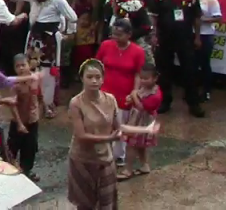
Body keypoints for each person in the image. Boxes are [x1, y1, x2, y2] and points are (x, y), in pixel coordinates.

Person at [67, 59, 159, 210]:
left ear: (103, 79)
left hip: (105, 158)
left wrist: (146, 130)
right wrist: (109, 138)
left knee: (107, 202)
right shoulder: (76, 103)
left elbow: (120, 127)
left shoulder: (110, 99)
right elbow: (81, 135)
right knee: (85, 204)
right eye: (89, 77)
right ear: (81, 78)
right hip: (82, 159)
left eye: (97, 77)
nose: (94, 81)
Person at [145, 0, 205, 117]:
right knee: (164, 70)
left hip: (185, 38)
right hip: (165, 38)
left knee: (189, 70)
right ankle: (165, 101)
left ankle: (193, 103)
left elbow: (197, 17)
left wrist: (197, 36)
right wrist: (153, 35)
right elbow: (153, 16)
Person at [96, 19, 146, 171]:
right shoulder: (106, 45)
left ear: (129, 35)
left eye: (119, 35)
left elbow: (139, 73)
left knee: (120, 124)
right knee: (102, 123)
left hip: (124, 93)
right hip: (104, 91)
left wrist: (135, 90)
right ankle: (102, 152)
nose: (115, 38)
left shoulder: (138, 52)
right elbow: (97, 64)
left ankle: (118, 156)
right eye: (113, 34)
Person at [123, 64, 163, 178]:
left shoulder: (155, 95)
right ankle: (145, 165)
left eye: (146, 78)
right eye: (141, 78)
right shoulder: (144, 88)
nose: (143, 81)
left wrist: (133, 94)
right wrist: (131, 98)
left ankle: (128, 169)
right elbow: (138, 97)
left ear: (155, 78)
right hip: (137, 118)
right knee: (141, 146)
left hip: (142, 122)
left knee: (131, 145)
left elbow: (141, 106)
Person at [8, 54, 42, 181]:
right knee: (13, 147)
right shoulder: (15, 85)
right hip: (18, 122)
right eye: (18, 66)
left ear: (28, 65)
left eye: (23, 65)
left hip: (32, 120)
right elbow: (13, 105)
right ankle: (10, 171)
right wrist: (19, 123)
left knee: (30, 147)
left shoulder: (35, 80)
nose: (21, 68)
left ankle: (27, 170)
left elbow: (39, 97)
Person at [194, 0, 221, 102]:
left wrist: (203, 19)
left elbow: (218, 17)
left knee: (205, 63)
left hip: (206, 34)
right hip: (192, 33)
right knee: (192, 64)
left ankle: (207, 91)